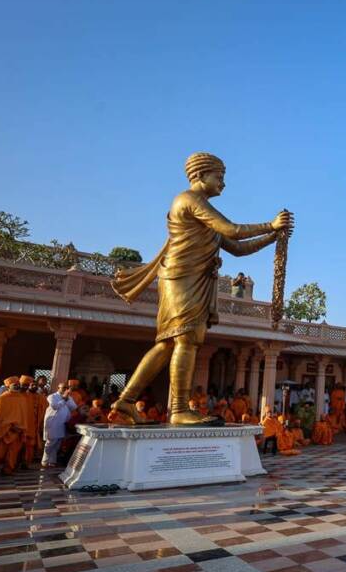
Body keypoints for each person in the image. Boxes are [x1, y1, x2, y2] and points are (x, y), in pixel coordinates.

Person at [109, 152, 292, 425]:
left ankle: (125, 401)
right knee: (186, 339)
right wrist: (271, 224)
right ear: (201, 175)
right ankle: (179, 409)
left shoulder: (205, 215)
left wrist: (273, 236)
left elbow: (239, 248)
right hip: (182, 279)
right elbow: (232, 230)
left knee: (169, 343)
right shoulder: (188, 200)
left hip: (194, 281)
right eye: (219, 177)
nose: (223, 184)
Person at [0, 377, 34, 474]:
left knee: (12, 452)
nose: (17, 386)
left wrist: (21, 428)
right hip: (4, 430)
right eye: (14, 385)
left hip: (17, 431)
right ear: (8, 386)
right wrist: (10, 426)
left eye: (17, 384)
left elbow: (24, 416)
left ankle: (8, 469)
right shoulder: (2, 398)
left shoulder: (21, 398)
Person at [42, 382, 76, 468]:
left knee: (57, 443)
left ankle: (52, 461)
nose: (65, 389)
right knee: (50, 442)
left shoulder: (68, 397)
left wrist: (67, 399)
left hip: (62, 423)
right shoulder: (52, 396)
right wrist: (64, 398)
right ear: (58, 388)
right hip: (53, 422)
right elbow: (54, 406)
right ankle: (45, 461)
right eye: (63, 388)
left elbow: (74, 407)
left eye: (66, 388)